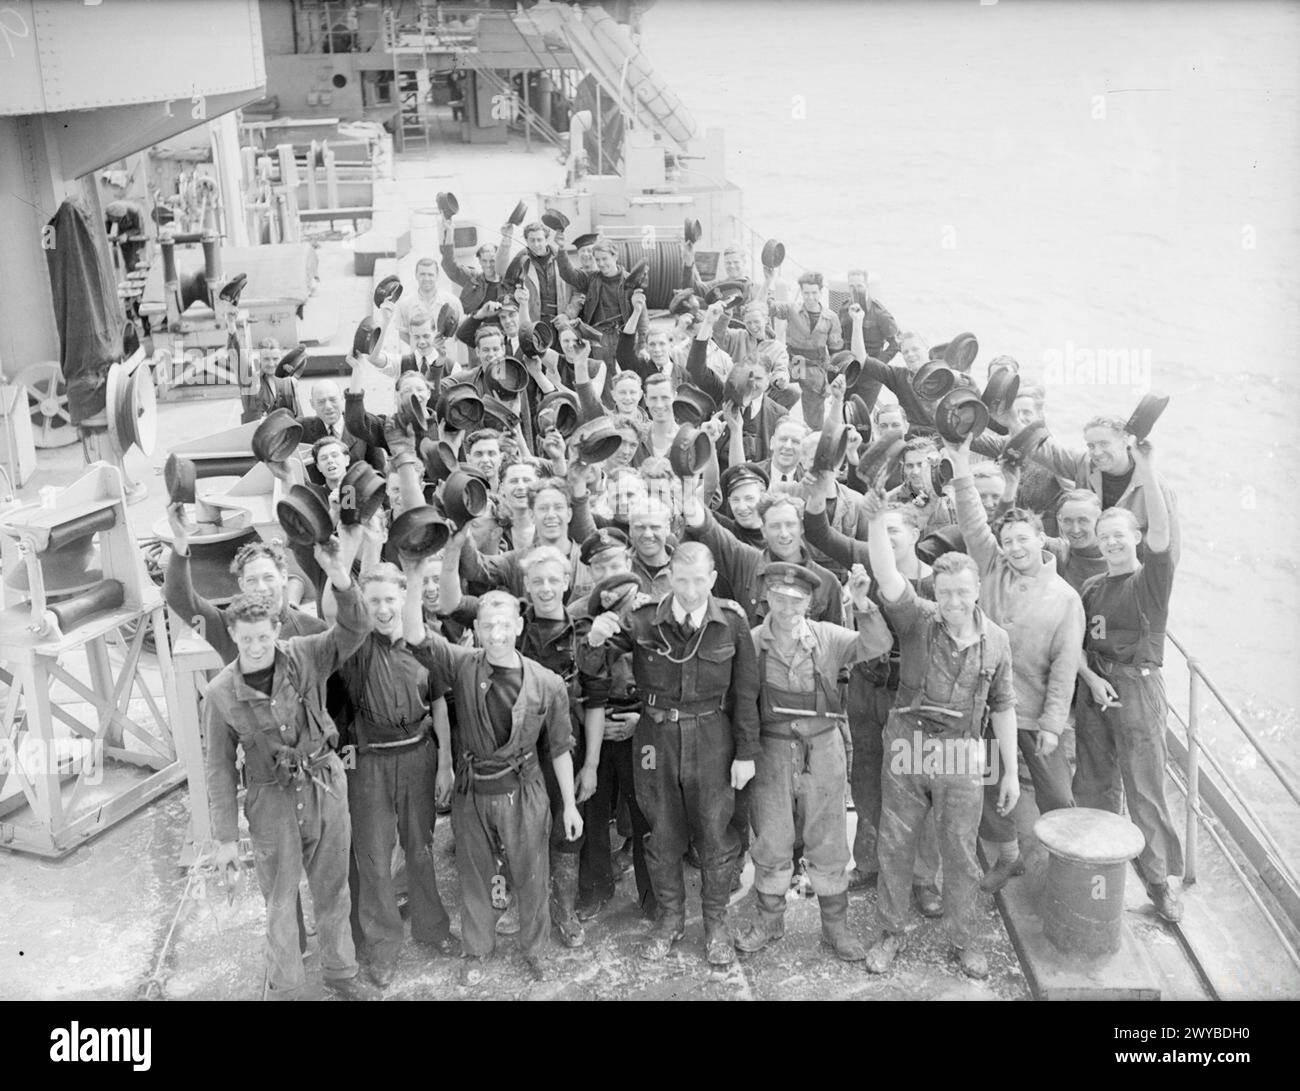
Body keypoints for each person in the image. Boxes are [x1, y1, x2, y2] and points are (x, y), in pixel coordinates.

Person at [204, 527, 380, 1000]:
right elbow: (218, 769)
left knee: (333, 890)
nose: (256, 647)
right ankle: (287, 988)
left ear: (277, 629)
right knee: (280, 904)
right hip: (270, 802)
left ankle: (342, 975)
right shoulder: (220, 693)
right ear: (233, 637)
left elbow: (357, 628)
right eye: (246, 640)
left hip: (324, 785)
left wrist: (341, 577)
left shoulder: (307, 654)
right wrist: (224, 840)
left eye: (263, 636)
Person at [862, 488, 1020, 980]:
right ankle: (890, 932)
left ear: (977, 591)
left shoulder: (997, 640)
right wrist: (874, 519)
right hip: (909, 742)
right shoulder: (916, 620)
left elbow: (1004, 706)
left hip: (963, 753)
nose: (953, 601)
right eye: (944, 591)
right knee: (895, 842)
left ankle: (966, 938)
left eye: (962, 592)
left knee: (960, 849)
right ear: (934, 590)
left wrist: (1010, 771)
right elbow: (887, 575)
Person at [584, 542, 760, 966]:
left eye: (700, 580)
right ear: (669, 579)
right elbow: (596, 664)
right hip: (654, 739)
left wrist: (746, 752)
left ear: (712, 579)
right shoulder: (643, 619)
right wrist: (593, 640)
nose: (691, 589)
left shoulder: (732, 622)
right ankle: (669, 920)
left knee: (717, 834)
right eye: (682, 580)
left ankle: (716, 922)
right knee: (660, 832)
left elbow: (746, 692)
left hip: (712, 735)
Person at [406, 586, 583, 984]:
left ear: (519, 626)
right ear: (476, 629)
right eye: (488, 626)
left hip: (525, 789)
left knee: (532, 873)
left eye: (505, 624)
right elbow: (416, 635)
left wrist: (569, 805)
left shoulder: (548, 683)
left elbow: (559, 747)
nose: (497, 633)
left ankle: (536, 950)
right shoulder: (462, 664)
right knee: (475, 873)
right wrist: (415, 574)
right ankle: (478, 949)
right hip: (474, 791)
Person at [734, 563, 892, 961]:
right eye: (780, 598)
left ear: (810, 602)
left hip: (823, 750)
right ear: (766, 597)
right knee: (771, 837)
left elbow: (876, 646)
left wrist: (862, 605)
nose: (788, 608)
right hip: (771, 751)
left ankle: (835, 927)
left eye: (797, 600)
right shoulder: (751, 643)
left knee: (828, 837)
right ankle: (769, 921)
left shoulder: (827, 637)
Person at [946, 435, 1083, 894]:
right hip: (983, 706)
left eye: (1023, 539)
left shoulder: (1065, 598)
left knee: (1057, 794)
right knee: (989, 788)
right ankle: (1008, 857)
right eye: (1007, 540)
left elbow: (1065, 667)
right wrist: (960, 462)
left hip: (1035, 712)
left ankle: (1068, 866)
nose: (1014, 547)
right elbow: (970, 518)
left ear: (1040, 539)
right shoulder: (992, 568)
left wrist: (1052, 723)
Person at [1073, 439, 1184, 922]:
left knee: (1145, 789)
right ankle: (1098, 872)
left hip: (1138, 692)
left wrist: (1147, 468)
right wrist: (1091, 682)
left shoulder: (1151, 580)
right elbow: (1074, 644)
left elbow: (1162, 530)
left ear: (1135, 537)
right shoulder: (1092, 587)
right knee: (1094, 784)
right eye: (1105, 536)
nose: (1113, 542)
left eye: (1121, 534)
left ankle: (1160, 883)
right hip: (1097, 690)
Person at [337, 562, 461, 988]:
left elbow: (441, 704)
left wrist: (444, 762)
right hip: (369, 763)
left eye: (391, 599)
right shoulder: (352, 649)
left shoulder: (426, 645)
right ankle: (383, 946)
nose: (384, 609)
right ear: (362, 606)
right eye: (374, 601)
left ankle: (432, 928)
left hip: (418, 758)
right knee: (372, 858)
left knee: (421, 849)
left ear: (404, 598)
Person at [767, 271, 843, 427]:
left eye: (814, 292)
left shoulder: (831, 318)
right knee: (769, 384)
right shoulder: (791, 309)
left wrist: (831, 381)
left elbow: (836, 353)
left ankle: (813, 439)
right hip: (792, 361)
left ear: (821, 292)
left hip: (815, 367)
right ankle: (769, 422)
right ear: (801, 292)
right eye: (806, 292)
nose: (810, 297)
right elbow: (769, 309)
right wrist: (767, 288)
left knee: (814, 415)